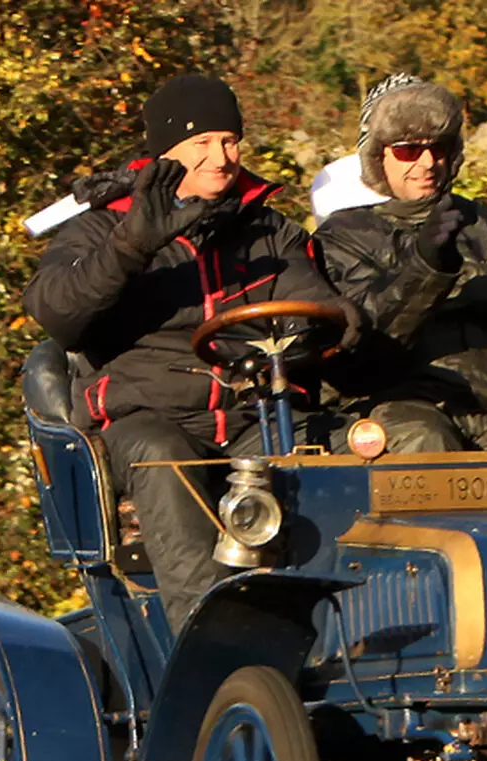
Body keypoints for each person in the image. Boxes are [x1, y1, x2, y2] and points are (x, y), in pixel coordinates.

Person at [23, 74, 361, 634]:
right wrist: (133, 245)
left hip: (254, 410)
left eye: (229, 141)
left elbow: (313, 301)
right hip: (145, 416)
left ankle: (334, 634)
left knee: (321, 456)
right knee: (164, 457)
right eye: (201, 143)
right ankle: (206, 646)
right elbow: (56, 311)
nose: (220, 157)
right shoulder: (103, 227)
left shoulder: (267, 230)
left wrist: (332, 324)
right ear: (167, 153)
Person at [311, 73, 487, 453]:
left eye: (439, 148)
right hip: (399, 407)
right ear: (380, 156)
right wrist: (425, 268)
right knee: (424, 443)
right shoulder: (342, 239)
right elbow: (355, 356)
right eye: (409, 150)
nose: (427, 163)